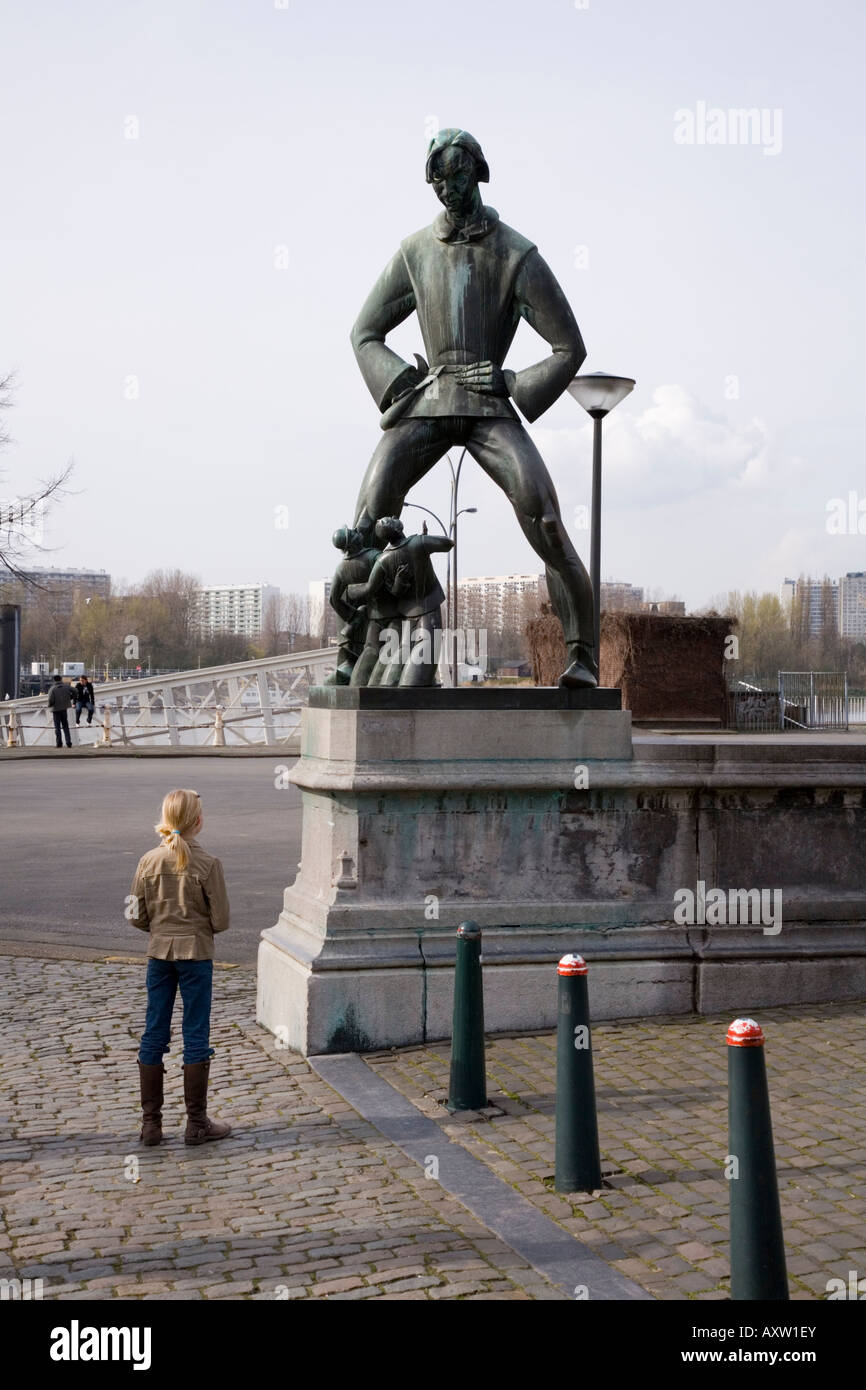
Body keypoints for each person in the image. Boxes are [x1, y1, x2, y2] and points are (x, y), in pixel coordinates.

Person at [350, 128, 597, 689]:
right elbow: (364, 333)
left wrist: (511, 381)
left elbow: (569, 348)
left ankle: (581, 653)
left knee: (547, 518)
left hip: (489, 405)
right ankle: (356, 653)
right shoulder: (413, 252)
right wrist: (399, 381)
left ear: (480, 172)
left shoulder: (517, 253)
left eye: (457, 173)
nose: (446, 186)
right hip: (430, 401)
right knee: (370, 508)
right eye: (436, 177)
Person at [128, 789, 232, 1147]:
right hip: (197, 955)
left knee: (154, 1030)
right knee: (196, 1031)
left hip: (159, 954)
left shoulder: (147, 861)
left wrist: (160, 928)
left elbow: (134, 915)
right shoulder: (209, 864)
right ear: (198, 822)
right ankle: (197, 1123)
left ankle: (151, 1124)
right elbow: (221, 920)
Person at [47, 673, 73, 748]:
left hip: (55, 710)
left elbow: (50, 700)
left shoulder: (52, 689)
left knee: (57, 727)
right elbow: (75, 690)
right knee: (65, 726)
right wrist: (70, 698)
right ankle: (68, 743)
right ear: (61, 679)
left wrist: (49, 705)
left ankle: (59, 743)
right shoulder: (66, 686)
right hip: (64, 709)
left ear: (54, 680)